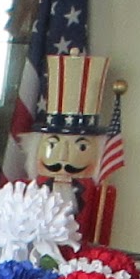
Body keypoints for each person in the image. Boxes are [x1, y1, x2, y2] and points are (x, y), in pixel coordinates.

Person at [31, 50, 120, 246]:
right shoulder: (30, 188)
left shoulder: (99, 193)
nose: (63, 156)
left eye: (79, 146)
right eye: (54, 144)